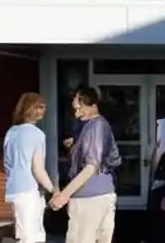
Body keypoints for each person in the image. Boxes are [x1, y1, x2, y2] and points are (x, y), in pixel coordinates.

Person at [50, 86, 121, 243]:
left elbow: (91, 166)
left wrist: (63, 195)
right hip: (102, 194)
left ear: (89, 103)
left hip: (89, 198)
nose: (76, 111)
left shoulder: (96, 125)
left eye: (78, 106)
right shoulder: (95, 126)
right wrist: (75, 146)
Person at [3, 93, 58, 243]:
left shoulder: (11, 132)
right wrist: (53, 190)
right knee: (33, 236)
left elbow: (7, 164)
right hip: (29, 190)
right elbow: (38, 169)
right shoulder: (37, 134)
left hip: (14, 190)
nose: (43, 110)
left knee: (23, 234)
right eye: (40, 107)